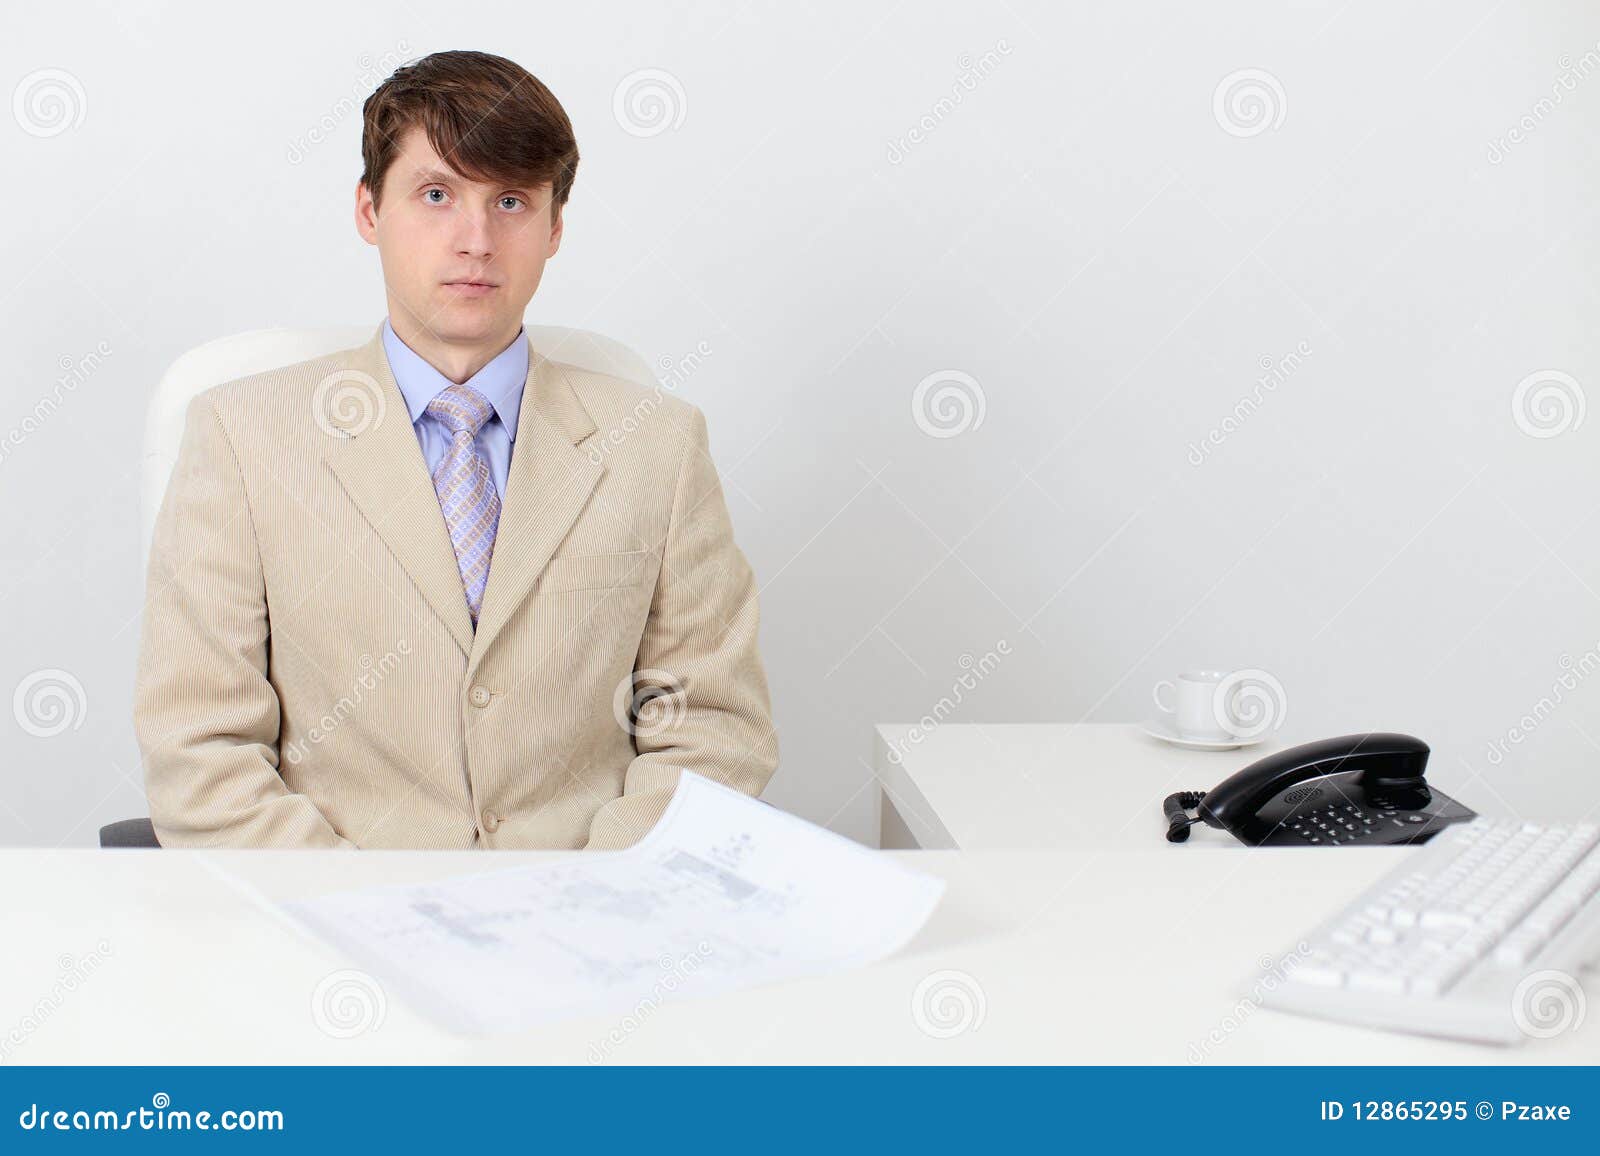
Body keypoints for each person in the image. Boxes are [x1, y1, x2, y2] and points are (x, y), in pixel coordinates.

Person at [132, 50, 778, 849]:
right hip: (335, 929)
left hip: (587, 923)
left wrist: (593, 904)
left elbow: (712, 727)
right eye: (436, 195)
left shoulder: (660, 446)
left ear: (555, 227)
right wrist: (366, 918)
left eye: (511, 200)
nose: (476, 240)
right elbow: (200, 750)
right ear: (369, 211)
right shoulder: (240, 435)